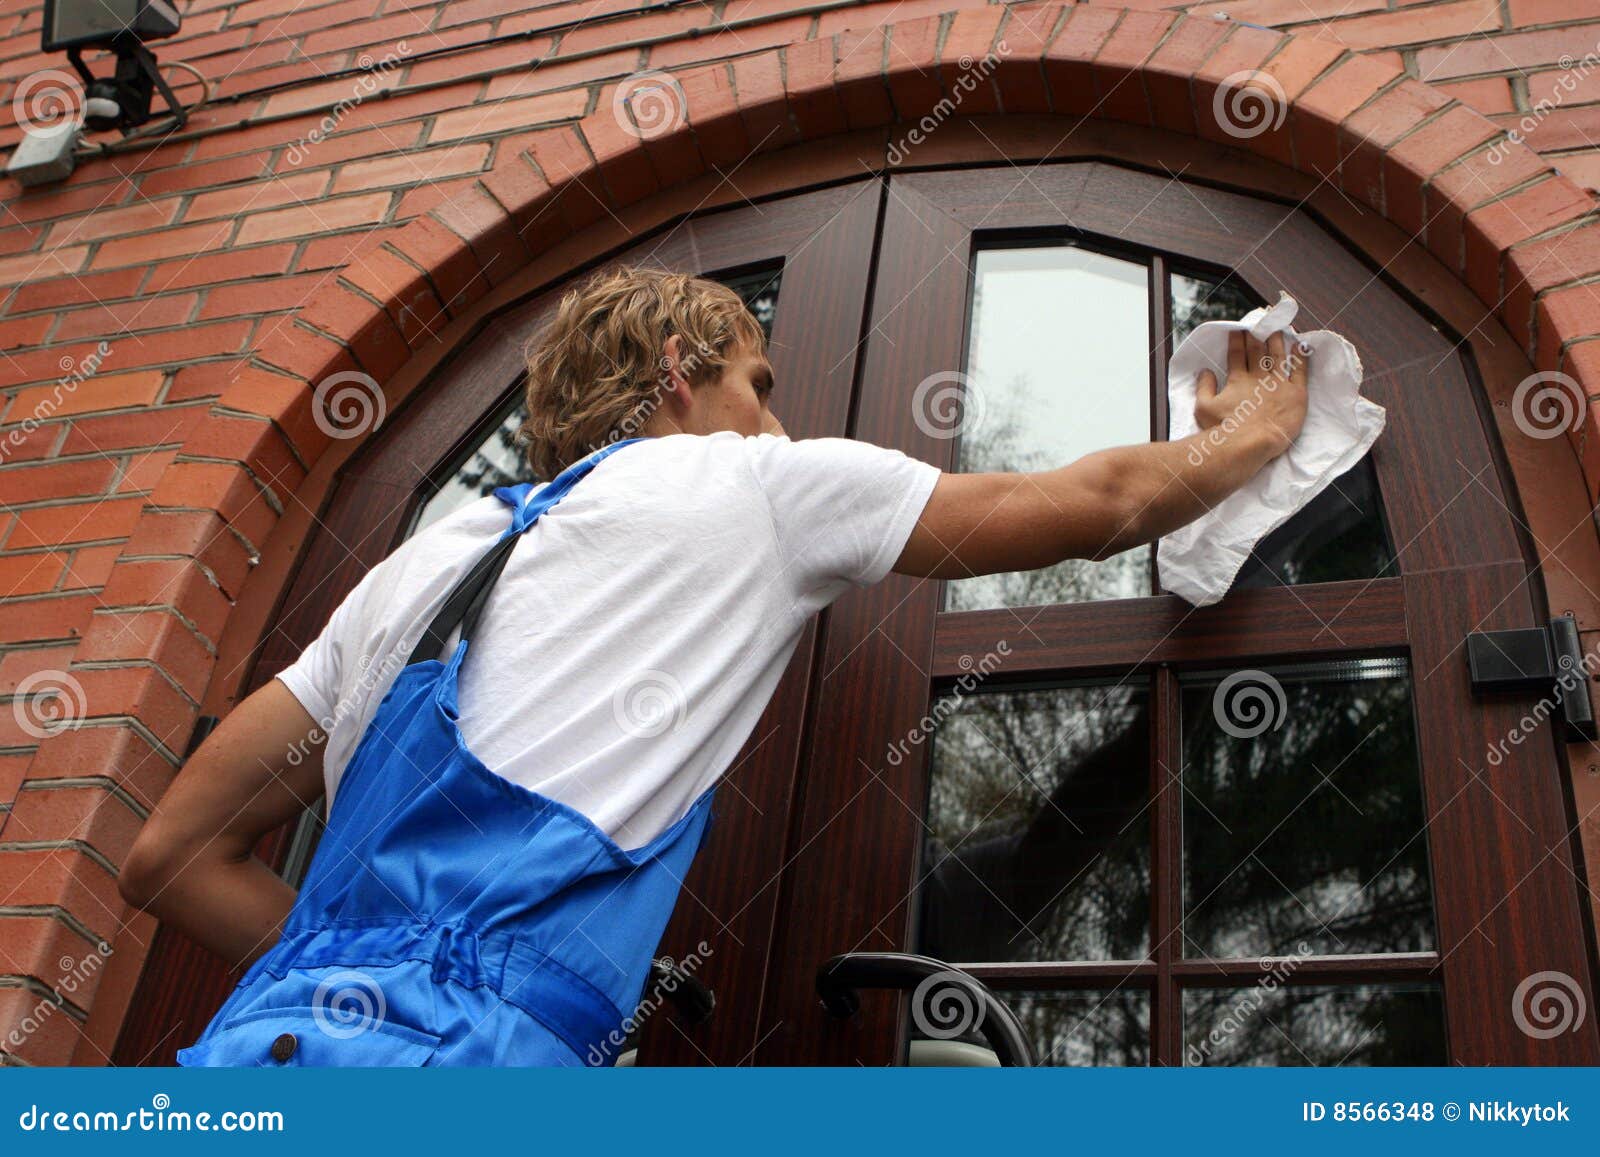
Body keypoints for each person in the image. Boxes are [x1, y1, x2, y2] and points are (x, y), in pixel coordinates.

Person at [119, 265, 1309, 1066]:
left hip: (252, 1051)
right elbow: (1098, 503)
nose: (777, 422)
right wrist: (1248, 432)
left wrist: (350, 984)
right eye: (759, 384)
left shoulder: (420, 565)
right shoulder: (752, 484)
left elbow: (169, 857)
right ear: (679, 369)